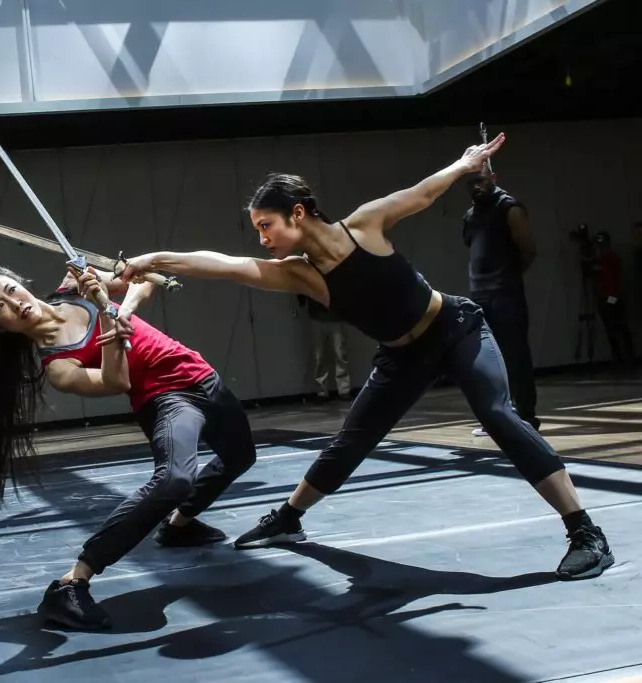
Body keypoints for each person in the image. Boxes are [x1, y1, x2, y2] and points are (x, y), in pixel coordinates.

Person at [117, 132, 614, 581]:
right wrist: (153, 260)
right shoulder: (299, 274)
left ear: (297, 213)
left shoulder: (365, 225)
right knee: (351, 440)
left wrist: (464, 165)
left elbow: (422, 192)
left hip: (456, 329)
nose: (262, 239)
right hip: (403, 357)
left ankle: (585, 532)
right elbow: (226, 266)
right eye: (257, 230)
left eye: (266, 226)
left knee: (499, 415)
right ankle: (288, 518)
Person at [0, 264, 257, 630]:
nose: (14, 304)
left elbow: (143, 280)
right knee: (175, 479)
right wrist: (114, 323)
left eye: (11, 290)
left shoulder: (74, 289)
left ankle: (180, 526)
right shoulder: (60, 366)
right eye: (0, 308)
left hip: (199, 373)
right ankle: (72, 582)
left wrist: (119, 296)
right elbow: (118, 379)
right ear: (0, 327)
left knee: (241, 456)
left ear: (22, 283)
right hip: (166, 397)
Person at [463, 170, 540, 432]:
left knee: (516, 356)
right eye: (471, 183)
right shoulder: (471, 216)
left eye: (481, 180)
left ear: (492, 178)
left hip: (506, 294)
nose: (477, 186)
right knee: (487, 360)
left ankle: (527, 417)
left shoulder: (509, 207)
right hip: (479, 296)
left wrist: (508, 279)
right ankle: (497, 417)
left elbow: (528, 250)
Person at [298, 295, 353, 402]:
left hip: (332, 315)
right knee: (320, 356)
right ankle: (324, 391)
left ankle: (342, 391)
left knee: (339, 353)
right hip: (320, 315)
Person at [592, 230, 635, 364]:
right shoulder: (600, 259)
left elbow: (616, 278)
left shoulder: (611, 258)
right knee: (611, 327)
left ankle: (627, 355)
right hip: (606, 296)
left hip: (612, 296)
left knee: (619, 325)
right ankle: (619, 355)